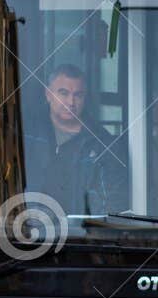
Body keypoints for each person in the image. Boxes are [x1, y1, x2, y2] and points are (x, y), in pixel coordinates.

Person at [23, 64, 124, 213]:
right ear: (48, 94)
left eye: (78, 95)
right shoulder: (28, 133)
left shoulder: (102, 142)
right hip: (28, 230)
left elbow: (112, 203)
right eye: (63, 93)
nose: (71, 102)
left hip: (79, 233)